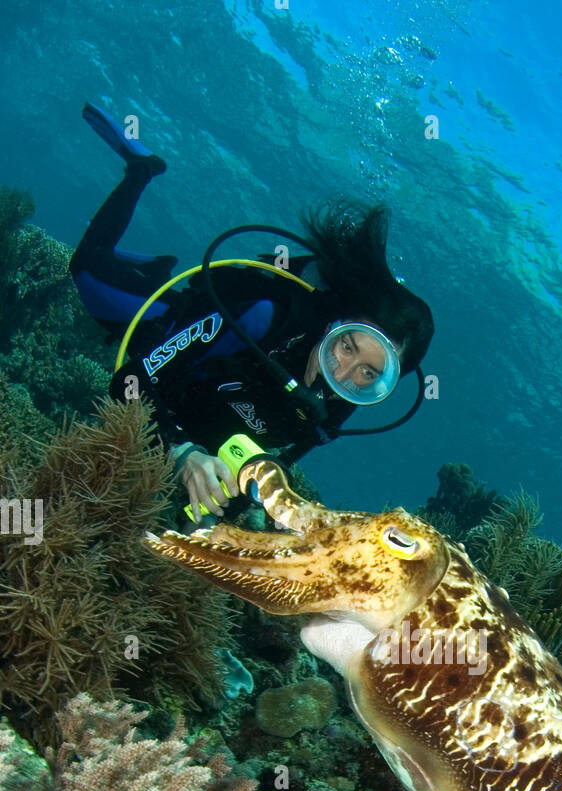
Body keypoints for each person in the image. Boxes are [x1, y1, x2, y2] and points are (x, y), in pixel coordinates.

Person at [71, 103, 434, 523]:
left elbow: (266, 470)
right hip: (163, 329)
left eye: (370, 374)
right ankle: (140, 169)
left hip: (194, 415)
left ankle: (151, 266)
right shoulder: (266, 317)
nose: (345, 372)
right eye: (348, 346)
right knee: (85, 267)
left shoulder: (341, 404)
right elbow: (131, 380)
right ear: (335, 325)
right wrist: (183, 452)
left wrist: (216, 516)